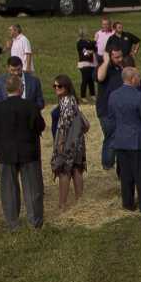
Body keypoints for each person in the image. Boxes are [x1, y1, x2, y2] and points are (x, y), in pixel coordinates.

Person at [0, 73, 46, 230]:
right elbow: (40, 126)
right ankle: (35, 222)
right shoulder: (30, 106)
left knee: (8, 189)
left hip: (5, 153)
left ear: (6, 89)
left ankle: (12, 223)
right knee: (32, 188)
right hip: (29, 152)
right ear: (21, 88)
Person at [105, 65, 141, 213]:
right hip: (138, 141)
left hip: (120, 140)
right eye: (138, 76)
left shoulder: (113, 95)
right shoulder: (139, 96)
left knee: (126, 175)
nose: (140, 79)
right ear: (133, 79)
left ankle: (128, 203)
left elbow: (111, 118)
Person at [50, 74, 87, 214]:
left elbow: (64, 124)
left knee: (64, 171)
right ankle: (80, 201)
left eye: (59, 86)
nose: (56, 88)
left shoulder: (66, 102)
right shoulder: (72, 100)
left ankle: (62, 204)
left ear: (66, 87)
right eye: (54, 86)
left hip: (67, 142)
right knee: (77, 169)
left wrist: (60, 142)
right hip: (76, 141)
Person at [75, 28, 99, 99]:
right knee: (85, 79)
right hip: (84, 64)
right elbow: (85, 51)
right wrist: (95, 41)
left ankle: (92, 94)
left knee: (91, 80)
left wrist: (91, 49)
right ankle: (83, 96)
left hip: (92, 63)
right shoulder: (80, 42)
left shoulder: (89, 41)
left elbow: (95, 48)